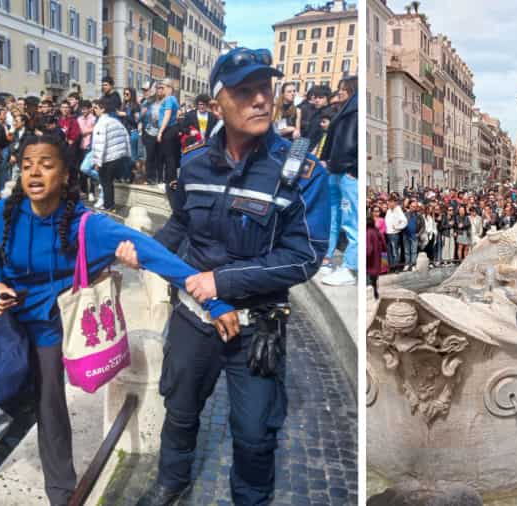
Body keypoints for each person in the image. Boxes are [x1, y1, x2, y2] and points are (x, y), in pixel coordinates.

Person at [0, 133, 230, 506]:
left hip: (48, 329)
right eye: (27, 165)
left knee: (50, 407)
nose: (34, 173)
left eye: (46, 165)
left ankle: (61, 491)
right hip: (4, 322)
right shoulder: (0, 214)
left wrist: (211, 299)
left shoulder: (87, 226)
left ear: (65, 175)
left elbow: (154, 253)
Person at [122, 47, 329, 506]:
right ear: (217, 105)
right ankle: (172, 482)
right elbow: (181, 225)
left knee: (255, 434)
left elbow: (305, 256)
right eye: (244, 91)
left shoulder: (303, 173)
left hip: (256, 326)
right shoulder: (194, 162)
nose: (260, 100)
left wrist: (222, 283)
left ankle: (250, 500)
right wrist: (145, 252)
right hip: (193, 317)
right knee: (180, 410)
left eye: (265, 89)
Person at [320, 77, 358, 286]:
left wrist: (355, 169)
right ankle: (326, 258)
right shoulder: (343, 110)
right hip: (336, 170)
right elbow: (334, 140)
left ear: (351, 90)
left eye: (342, 89)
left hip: (347, 171)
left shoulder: (355, 109)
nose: (339, 92)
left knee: (351, 221)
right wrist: (326, 160)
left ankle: (350, 268)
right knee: (332, 217)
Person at [90, 98, 131, 212]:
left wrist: (97, 162)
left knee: (106, 182)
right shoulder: (115, 121)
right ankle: (110, 205)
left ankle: (108, 206)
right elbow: (125, 136)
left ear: (103, 109)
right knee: (109, 182)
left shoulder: (101, 124)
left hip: (107, 158)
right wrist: (126, 153)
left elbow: (99, 144)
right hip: (117, 157)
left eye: (96, 108)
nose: (94, 110)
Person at [366, 214, 386, 298]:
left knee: (369, 282)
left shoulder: (367, 233)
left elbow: (368, 250)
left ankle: (372, 296)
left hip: (370, 263)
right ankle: (375, 294)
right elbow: (384, 246)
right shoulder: (377, 231)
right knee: (374, 280)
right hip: (377, 261)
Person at [385, 196, 407, 270]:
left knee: (395, 251)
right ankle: (392, 266)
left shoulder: (398, 210)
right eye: (389, 202)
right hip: (388, 233)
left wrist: (397, 227)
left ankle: (396, 267)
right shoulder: (388, 211)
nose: (390, 203)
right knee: (389, 251)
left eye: (391, 202)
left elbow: (404, 221)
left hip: (394, 234)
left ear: (395, 202)